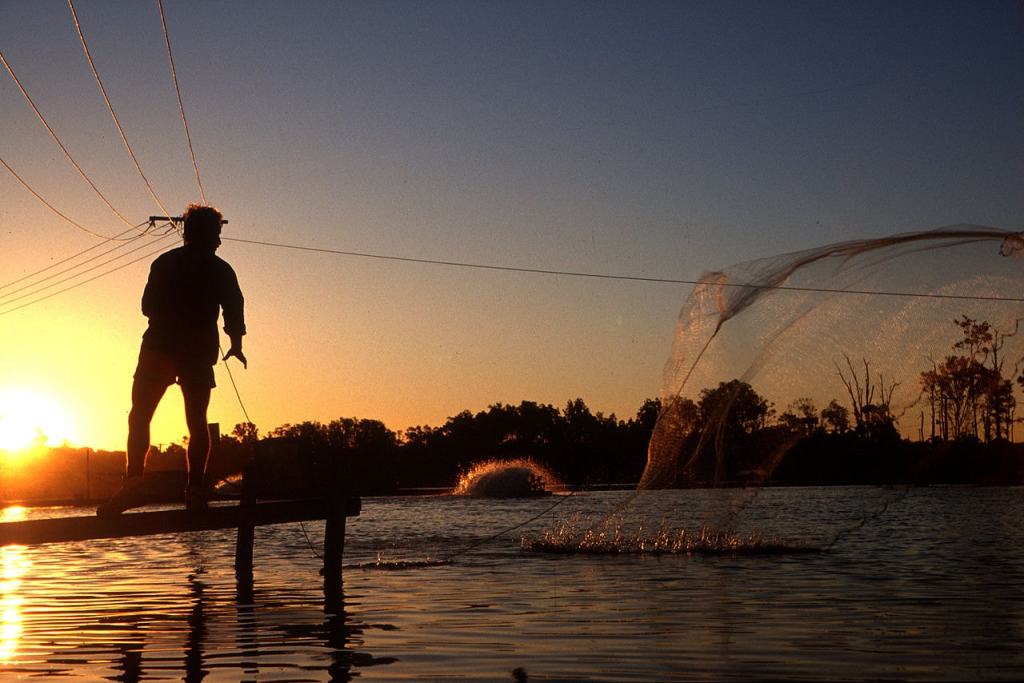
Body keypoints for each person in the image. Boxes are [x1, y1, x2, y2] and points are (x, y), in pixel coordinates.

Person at [97, 204, 246, 517]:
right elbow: (232, 309)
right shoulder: (218, 270)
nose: (219, 242)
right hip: (179, 351)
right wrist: (234, 342)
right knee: (191, 420)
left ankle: (138, 484)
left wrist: (235, 342)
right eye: (216, 235)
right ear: (201, 234)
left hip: (162, 349)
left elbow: (148, 306)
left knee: (142, 416)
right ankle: (192, 489)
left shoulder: (167, 263)